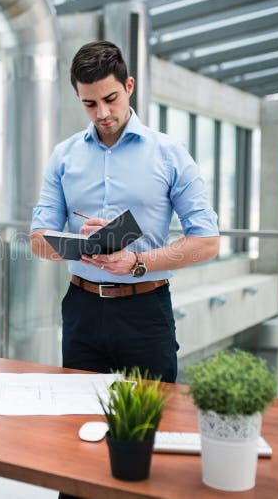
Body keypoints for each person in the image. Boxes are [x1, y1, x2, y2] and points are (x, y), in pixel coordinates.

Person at [29, 40, 220, 384]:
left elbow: (206, 242)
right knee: (75, 422)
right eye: (89, 103)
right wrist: (82, 246)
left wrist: (137, 263)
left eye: (110, 99)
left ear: (129, 86)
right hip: (81, 309)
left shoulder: (170, 154)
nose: (101, 113)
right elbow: (38, 240)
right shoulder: (63, 156)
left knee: (148, 425)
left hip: (145, 312)